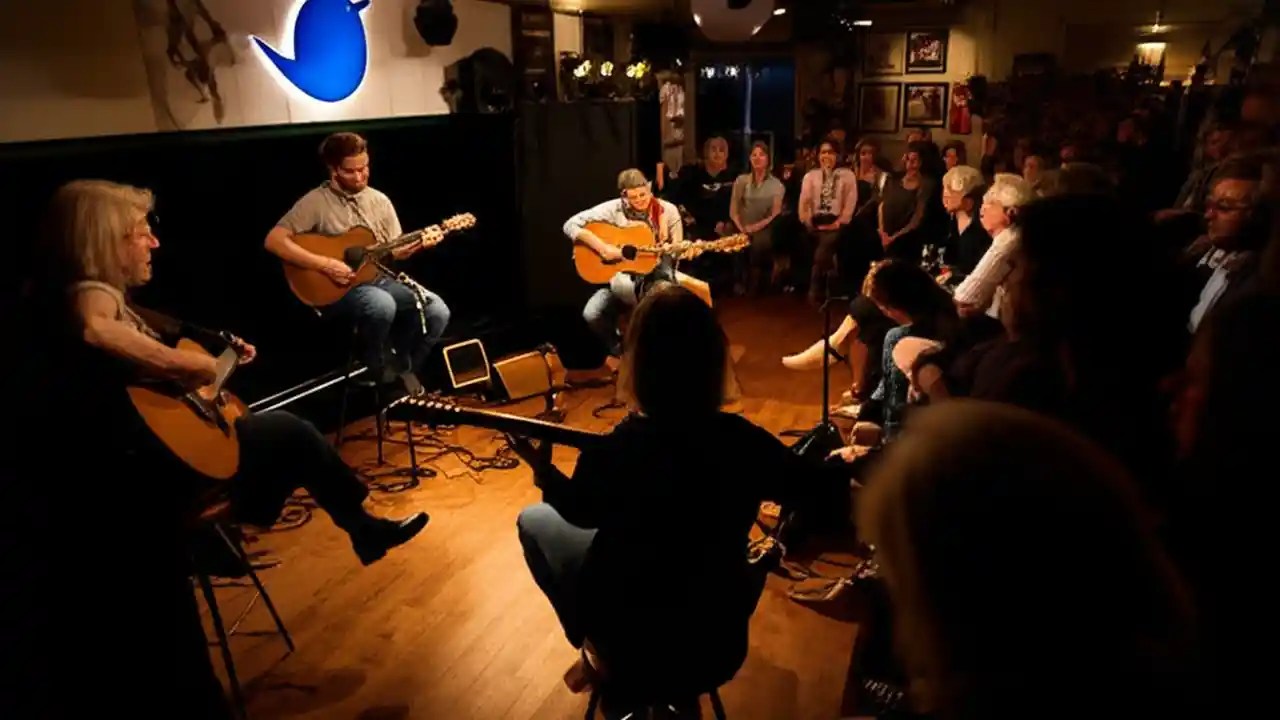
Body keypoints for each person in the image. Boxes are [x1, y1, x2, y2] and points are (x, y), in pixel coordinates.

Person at [509, 284, 824, 709]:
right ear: (713, 358)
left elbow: (580, 511)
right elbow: (811, 489)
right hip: (717, 645)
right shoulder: (744, 442)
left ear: (641, 364)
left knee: (533, 520)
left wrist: (545, 473)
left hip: (629, 643)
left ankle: (591, 647)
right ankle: (607, 654)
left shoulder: (614, 449)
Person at [264, 132, 450, 394]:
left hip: (377, 278)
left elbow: (396, 251)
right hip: (339, 289)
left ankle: (401, 368)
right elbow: (274, 241)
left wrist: (418, 244)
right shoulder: (315, 202)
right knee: (381, 304)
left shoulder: (379, 200)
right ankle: (374, 365)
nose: (361, 176)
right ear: (334, 169)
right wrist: (325, 264)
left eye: (365, 168)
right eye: (351, 171)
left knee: (437, 311)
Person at [564, 168, 708, 367]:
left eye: (644, 194)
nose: (641, 200)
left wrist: (686, 250)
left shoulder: (667, 211)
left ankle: (662, 358)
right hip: (618, 278)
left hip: (655, 276)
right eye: (634, 197)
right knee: (592, 314)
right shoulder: (613, 209)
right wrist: (603, 248)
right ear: (624, 196)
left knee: (659, 306)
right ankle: (622, 351)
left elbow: (676, 250)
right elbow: (570, 225)